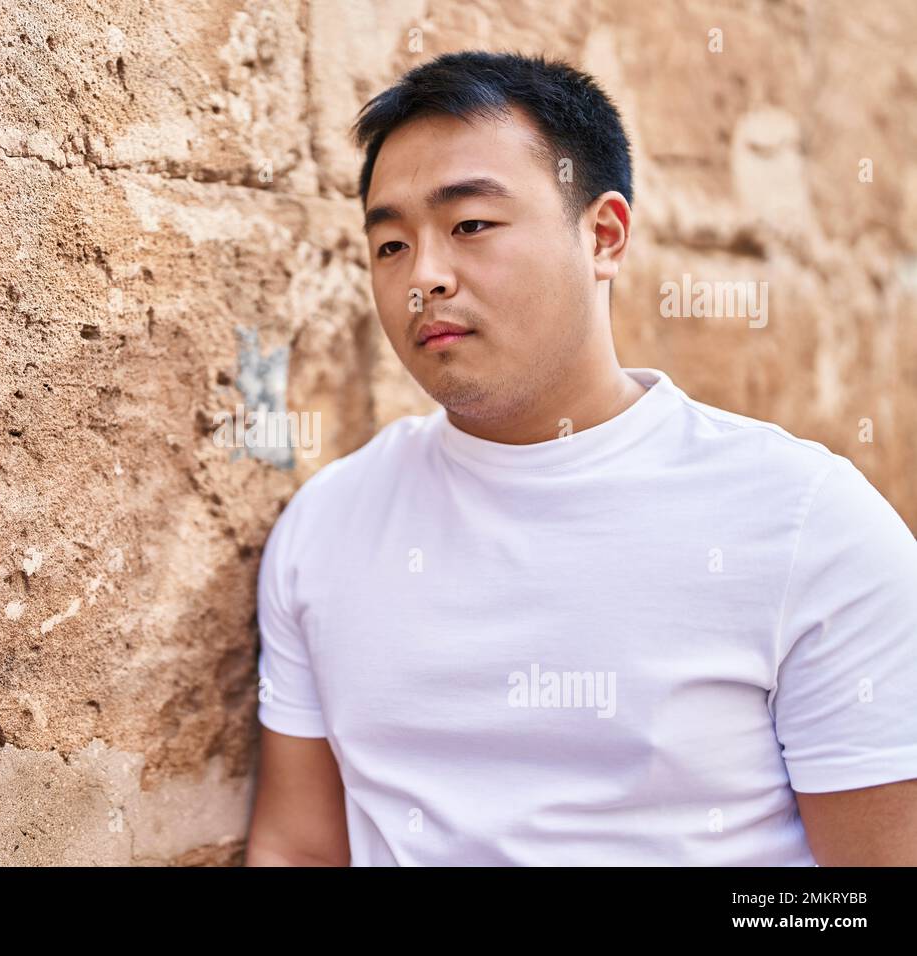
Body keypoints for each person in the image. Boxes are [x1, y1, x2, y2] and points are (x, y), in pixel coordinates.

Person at [244, 50, 917, 866]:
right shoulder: (327, 527)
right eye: (390, 245)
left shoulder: (811, 525)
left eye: (470, 226)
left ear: (604, 235)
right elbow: (299, 849)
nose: (424, 278)